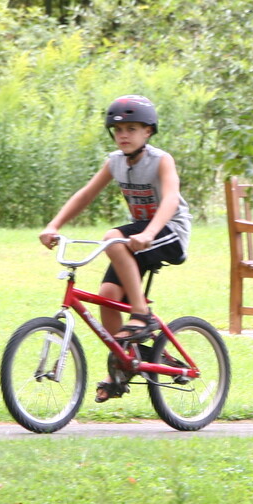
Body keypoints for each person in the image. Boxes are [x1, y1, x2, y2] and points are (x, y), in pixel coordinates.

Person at [40, 95, 191, 402]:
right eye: (118, 129)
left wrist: (149, 232)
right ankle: (124, 364)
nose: (124, 135)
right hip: (140, 237)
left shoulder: (161, 160)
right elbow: (85, 195)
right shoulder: (115, 162)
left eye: (132, 128)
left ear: (148, 132)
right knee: (107, 296)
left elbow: (172, 199)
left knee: (112, 237)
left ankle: (142, 315)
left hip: (170, 232)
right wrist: (53, 225)